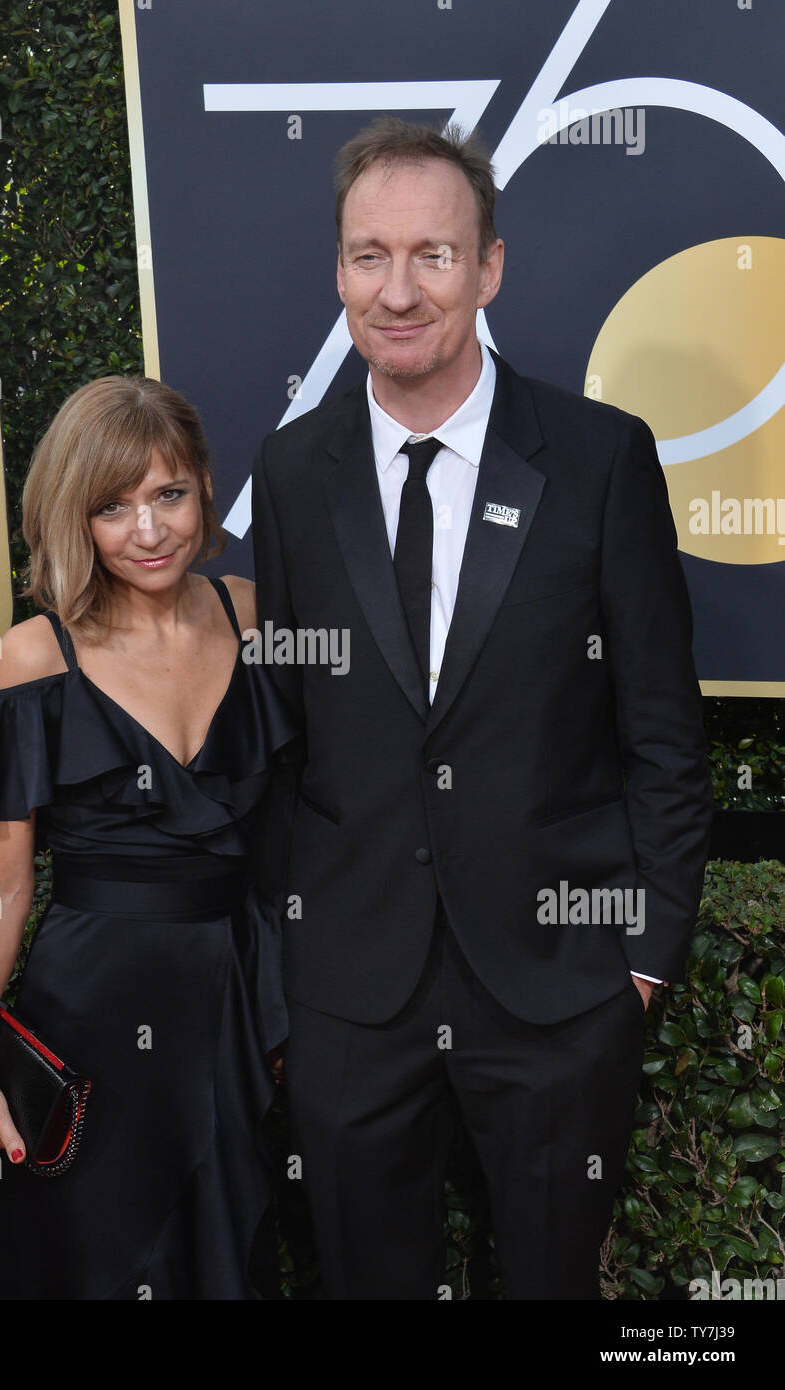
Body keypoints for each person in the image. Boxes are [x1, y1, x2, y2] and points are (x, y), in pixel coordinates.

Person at [251, 117, 714, 1300]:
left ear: (490, 267)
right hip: (350, 995)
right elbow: (282, 738)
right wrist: (288, 976)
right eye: (369, 256)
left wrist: (643, 962)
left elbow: (662, 733)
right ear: (338, 271)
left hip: (562, 986)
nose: (397, 291)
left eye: (433, 255)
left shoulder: (601, 460)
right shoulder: (294, 473)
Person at [0, 375, 298, 1299]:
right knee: (88, 1264)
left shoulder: (254, 617)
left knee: (232, 1257)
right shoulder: (34, 655)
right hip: (89, 1014)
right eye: (113, 507)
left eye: (169, 494)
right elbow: (2, 872)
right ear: (74, 518)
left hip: (235, 1001)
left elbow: (315, 823)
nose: (150, 530)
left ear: (206, 489)